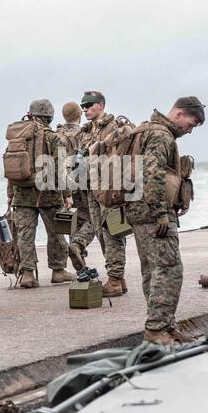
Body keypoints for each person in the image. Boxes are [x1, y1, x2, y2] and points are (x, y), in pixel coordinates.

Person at [124, 96, 205, 346]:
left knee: (152, 270)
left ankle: (165, 327)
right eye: (190, 124)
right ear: (178, 114)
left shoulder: (144, 130)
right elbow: (153, 174)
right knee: (170, 269)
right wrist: (160, 211)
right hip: (152, 212)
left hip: (137, 210)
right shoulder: (161, 135)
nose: (189, 130)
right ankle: (156, 328)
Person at [69, 90, 131, 296]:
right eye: (83, 106)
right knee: (100, 233)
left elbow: (124, 153)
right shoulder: (85, 132)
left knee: (113, 232)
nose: (85, 109)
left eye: (89, 105)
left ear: (101, 105)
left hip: (109, 188)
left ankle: (114, 279)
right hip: (90, 189)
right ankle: (118, 278)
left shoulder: (115, 127)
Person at [6, 99, 71, 287]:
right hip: (48, 192)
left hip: (21, 191)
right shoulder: (54, 137)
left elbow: (11, 166)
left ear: (30, 113)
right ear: (50, 117)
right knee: (56, 232)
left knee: (26, 234)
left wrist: (10, 194)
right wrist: (67, 194)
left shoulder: (17, 136)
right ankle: (58, 270)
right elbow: (60, 170)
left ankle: (27, 274)